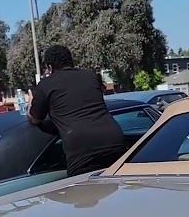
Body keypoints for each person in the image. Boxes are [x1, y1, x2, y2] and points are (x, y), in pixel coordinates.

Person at [28, 45, 128, 177]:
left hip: (82, 149)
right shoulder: (91, 77)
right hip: (114, 140)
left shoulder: (46, 85)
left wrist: (31, 102)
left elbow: (35, 119)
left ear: (50, 67)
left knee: (84, 194)